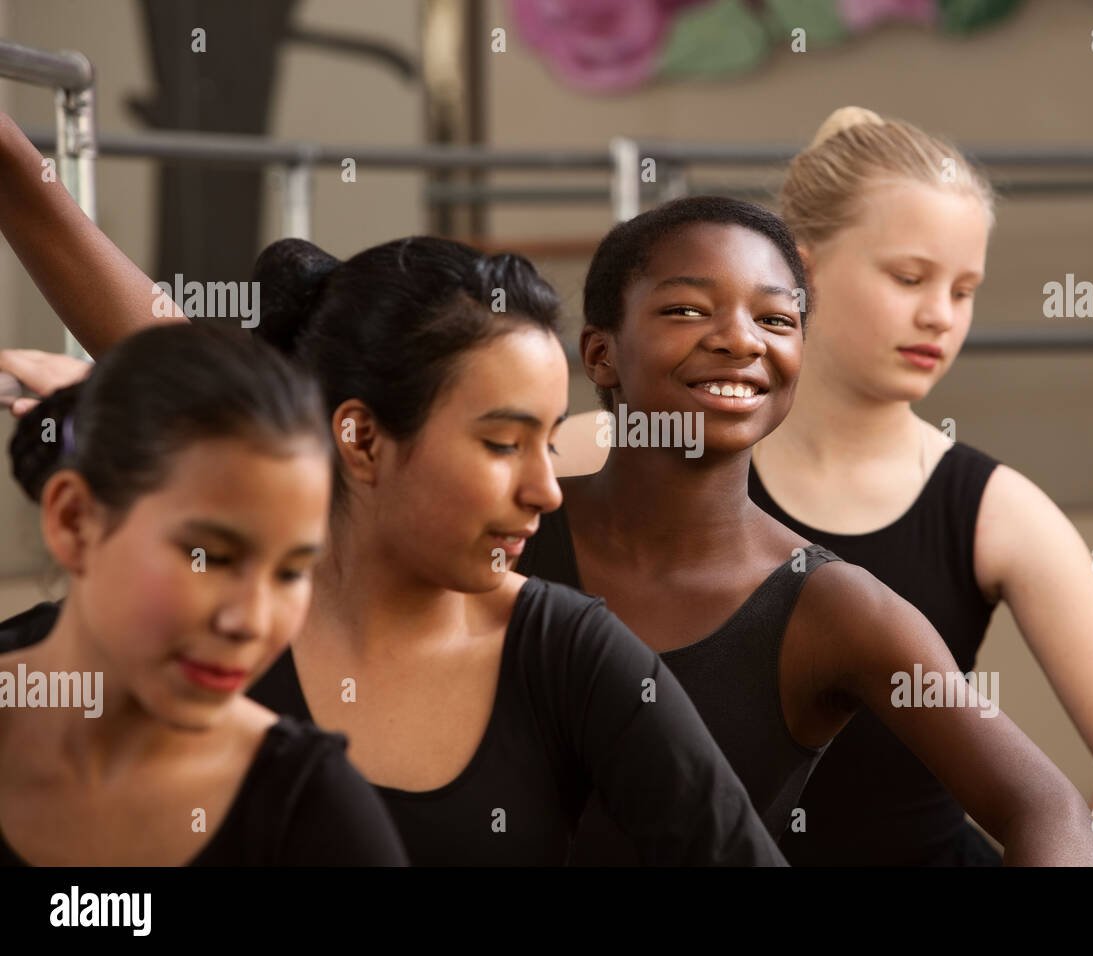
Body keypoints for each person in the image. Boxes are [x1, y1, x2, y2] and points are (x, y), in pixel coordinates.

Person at [0, 109, 785, 864]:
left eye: (549, 441)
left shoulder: (566, 651)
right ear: (362, 437)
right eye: (503, 443)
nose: (549, 490)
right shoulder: (181, 631)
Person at [550, 109, 1093, 866]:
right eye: (909, 277)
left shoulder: (991, 509)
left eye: (965, 290)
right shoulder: (598, 453)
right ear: (807, 273)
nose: (940, 316)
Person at [0, 323, 408, 866]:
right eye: (211, 557)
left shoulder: (312, 813)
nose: (252, 621)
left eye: (291, 572)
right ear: (75, 523)